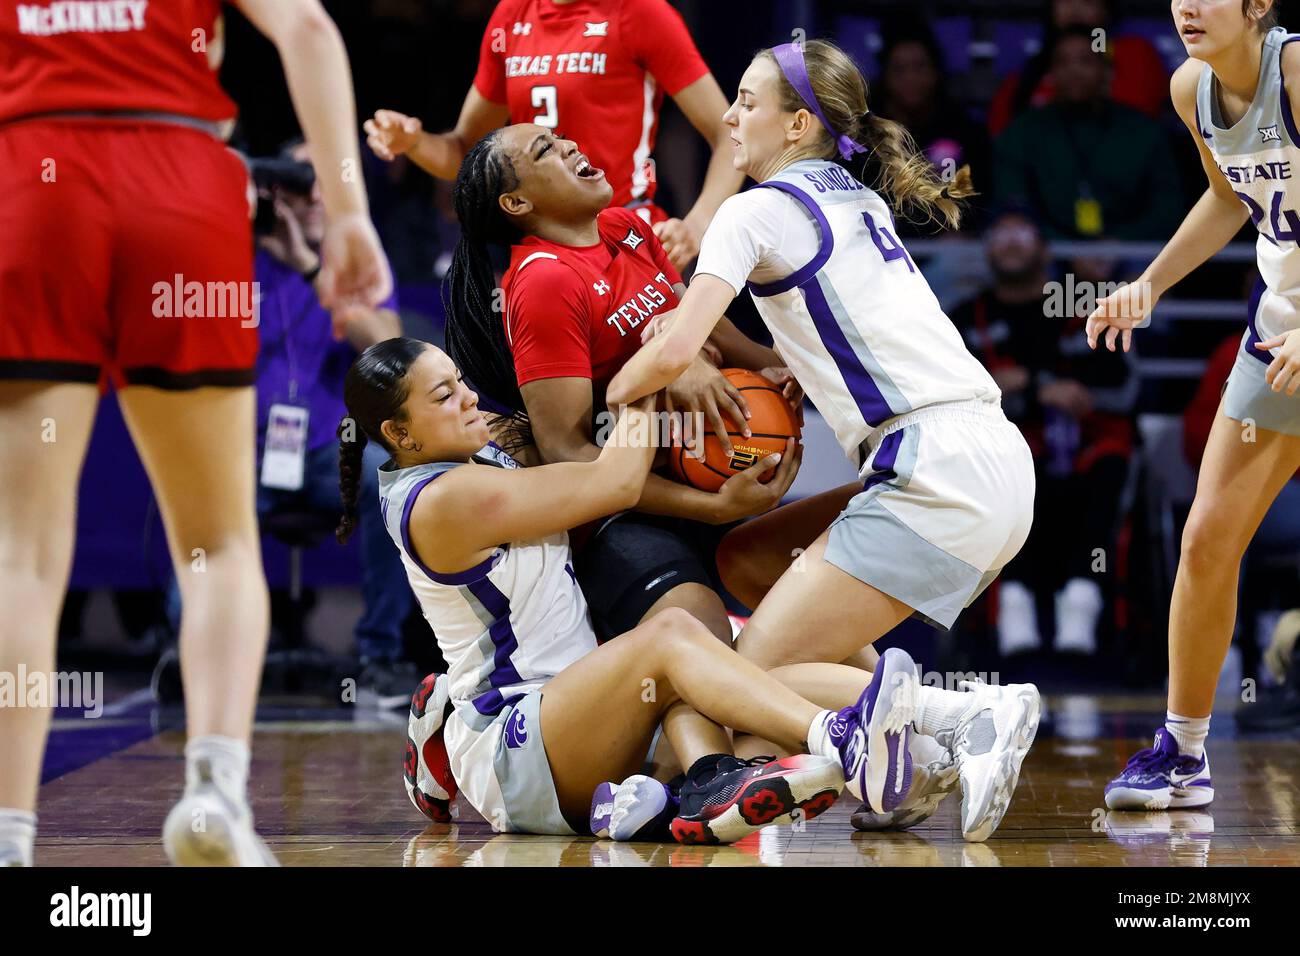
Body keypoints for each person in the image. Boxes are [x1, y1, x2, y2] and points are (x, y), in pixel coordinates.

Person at [604, 39, 1042, 842]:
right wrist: (792, 366)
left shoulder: (752, 209)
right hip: (987, 460)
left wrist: (613, 394)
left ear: (798, 121)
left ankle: (968, 713)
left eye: (746, 100)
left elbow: (672, 352)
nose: (728, 117)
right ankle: (903, 768)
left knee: (738, 684)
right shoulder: (857, 199)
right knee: (749, 559)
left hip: (933, 472)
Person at [0, 0, 391, 867]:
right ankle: (214, 791)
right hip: (178, 177)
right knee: (216, 538)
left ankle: (9, 836)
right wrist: (350, 209)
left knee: (21, 553)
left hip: (32, 177)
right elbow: (311, 30)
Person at [337, 337, 922, 843]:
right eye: (443, 396)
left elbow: (569, 433)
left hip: (585, 712)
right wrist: (655, 363)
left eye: (460, 382)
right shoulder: (443, 500)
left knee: (745, 673)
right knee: (672, 635)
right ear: (398, 434)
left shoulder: (476, 445)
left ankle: (719, 782)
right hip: (518, 740)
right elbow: (615, 481)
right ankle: (844, 743)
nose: (468, 398)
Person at [439, 124, 811, 781]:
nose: (574, 146)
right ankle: (713, 781)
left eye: (562, 137)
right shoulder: (543, 285)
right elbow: (567, 451)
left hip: (704, 489)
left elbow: (700, 318)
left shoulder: (632, 226)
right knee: (702, 643)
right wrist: (706, 503)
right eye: (546, 153)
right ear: (518, 204)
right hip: (620, 517)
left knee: (807, 617)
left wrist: (770, 365)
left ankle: (897, 736)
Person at [1088, 0, 1300, 812]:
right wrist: (1148, 284)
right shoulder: (1190, 88)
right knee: (1208, 538)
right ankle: (1182, 754)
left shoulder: (1294, 72)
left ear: (1259, 5)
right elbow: (1225, 196)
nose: (1187, 5)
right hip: (1275, 336)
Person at [362, 0, 745, 270]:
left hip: (625, 237)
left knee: (653, 377)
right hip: (538, 249)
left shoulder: (640, 11)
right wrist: (412, 142)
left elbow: (729, 133)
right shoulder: (511, 14)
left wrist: (698, 226)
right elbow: (466, 152)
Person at [251, 139, 415, 706]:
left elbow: (390, 346)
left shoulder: (352, 260)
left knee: (386, 477)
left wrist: (312, 265)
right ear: (275, 191)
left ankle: (379, 657)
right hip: (247, 452)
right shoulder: (236, 255)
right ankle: (188, 654)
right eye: (302, 180)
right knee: (192, 493)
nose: (317, 194)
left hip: (329, 452)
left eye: (326, 180)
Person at [950, 207, 1138, 656]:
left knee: (1112, 460)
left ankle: (1083, 605)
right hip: (1007, 452)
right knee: (1007, 475)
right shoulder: (965, 316)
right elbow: (948, 396)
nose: (1011, 242)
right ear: (986, 250)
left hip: (1085, 450)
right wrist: (1039, 388)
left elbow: (1127, 390)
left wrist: (1046, 388)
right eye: (1000, 233)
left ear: (1045, 248)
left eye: (1022, 232)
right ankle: (1012, 614)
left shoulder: (1084, 304)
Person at [993, 25, 1184, 240]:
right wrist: (1067, 249)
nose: (1074, 70)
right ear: (1051, 73)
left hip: (1132, 251)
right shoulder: (1023, 131)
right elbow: (1013, 205)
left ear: (1108, 71)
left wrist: (1118, 243)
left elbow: (1168, 210)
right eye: (1063, 62)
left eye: (1085, 61)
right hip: (1046, 253)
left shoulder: (1144, 131)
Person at [987, 0, 1171, 137]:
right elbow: (1003, 131)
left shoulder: (1131, 52)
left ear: (1106, 10)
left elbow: (1138, 126)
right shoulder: (1035, 66)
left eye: (1088, 1)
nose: (1075, 8)